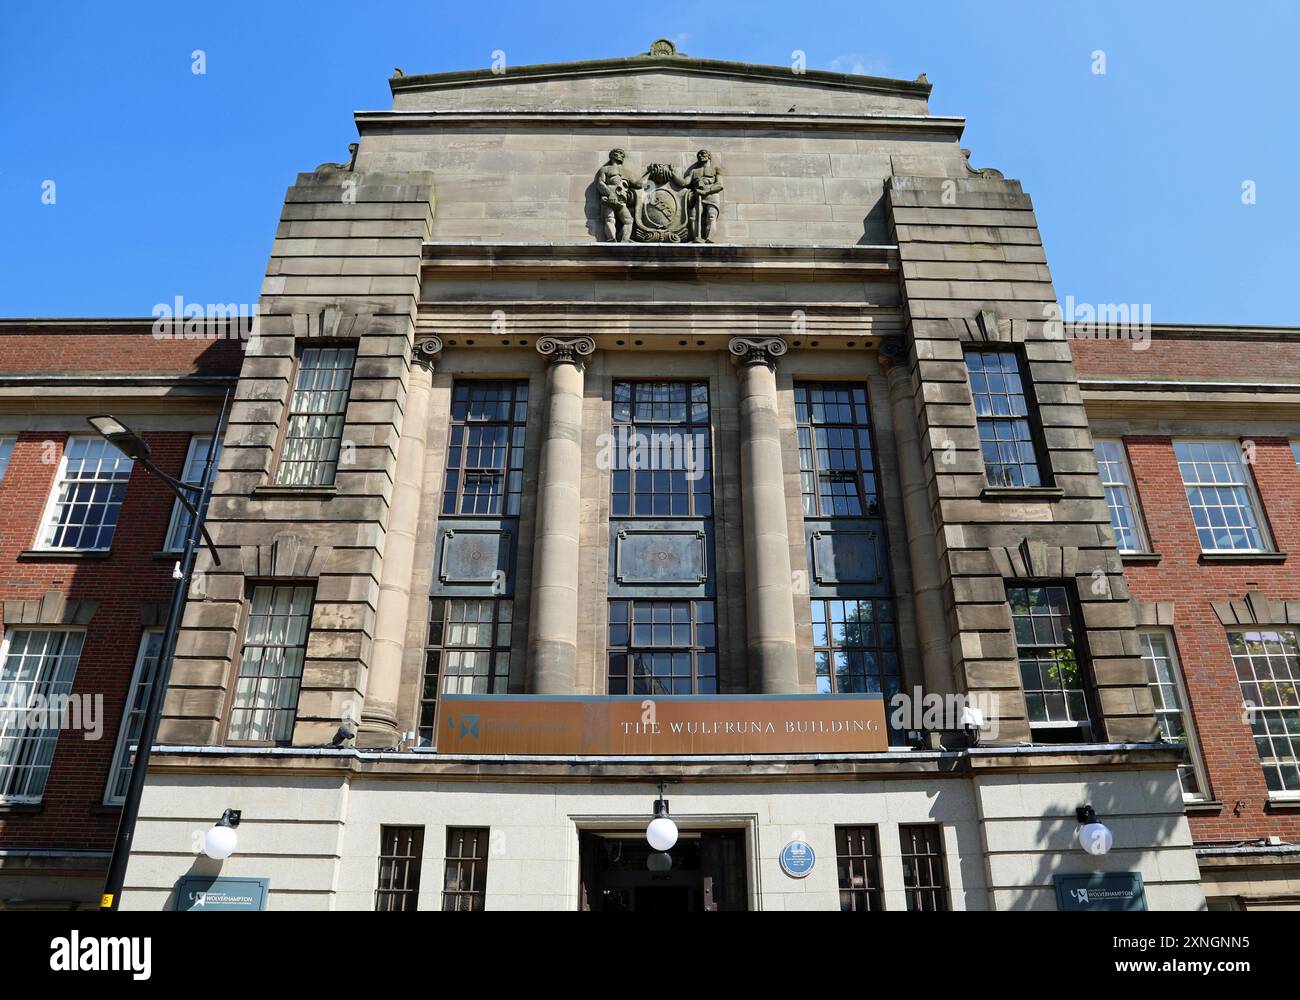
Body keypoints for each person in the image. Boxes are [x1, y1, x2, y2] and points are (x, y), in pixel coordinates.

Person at [596, 149, 637, 242]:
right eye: (617, 153)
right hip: (609, 197)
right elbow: (600, 183)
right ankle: (611, 239)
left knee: (628, 221)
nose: (620, 155)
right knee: (610, 218)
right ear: (612, 156)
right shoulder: (605, 169)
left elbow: (638, 184)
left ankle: (624, 240)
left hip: (621, 200)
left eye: (622, 154)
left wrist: (648, 172)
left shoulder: (626, 172)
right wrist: (610, 194)